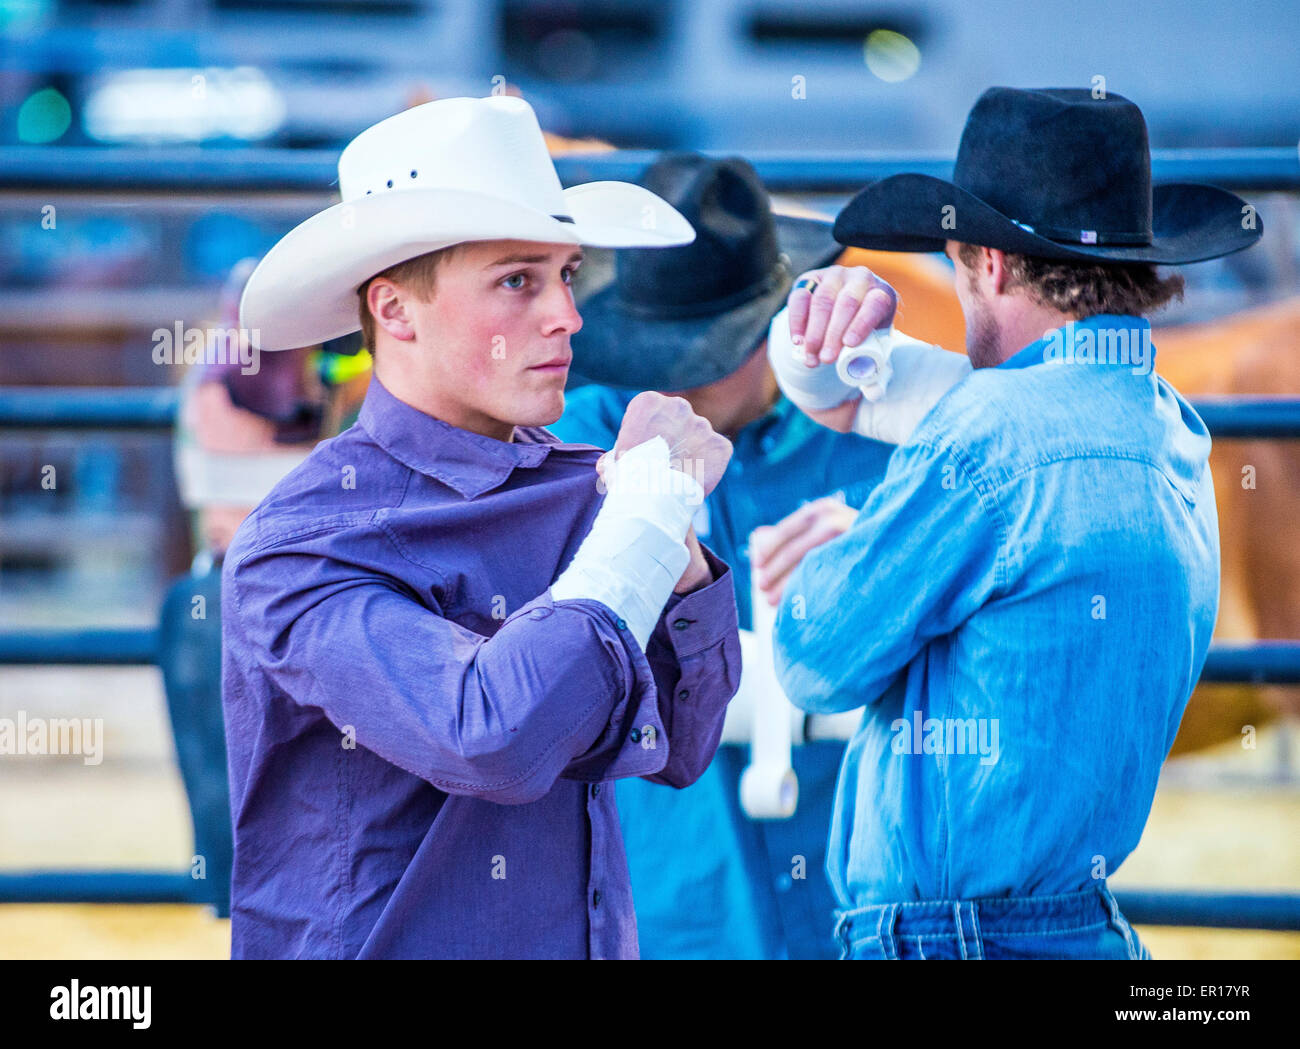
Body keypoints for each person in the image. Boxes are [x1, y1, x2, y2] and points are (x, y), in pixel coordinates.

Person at [222, 95, 742, 959]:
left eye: (567, 275)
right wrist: (646, 523)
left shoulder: (585, 489)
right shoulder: (300, 545)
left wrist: (672, 554)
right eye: (516, 280)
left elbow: (680, 743)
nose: (567, 317)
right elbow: (493, 737)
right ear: (394, 310)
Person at [768, 86, 1262, 959]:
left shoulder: (989, 434)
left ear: (989, 264)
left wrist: (850, 546)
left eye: (956, 267)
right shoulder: (1174, 429)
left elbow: (813, 658)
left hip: (948, 937)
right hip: (1085, 927)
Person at [550, 153, 908, 958]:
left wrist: (885, 555)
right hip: (659, 897)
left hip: (847, 891)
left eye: (709, 353)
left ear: (779, 319)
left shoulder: (883, 434)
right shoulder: (565, 449)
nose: (683, 384)